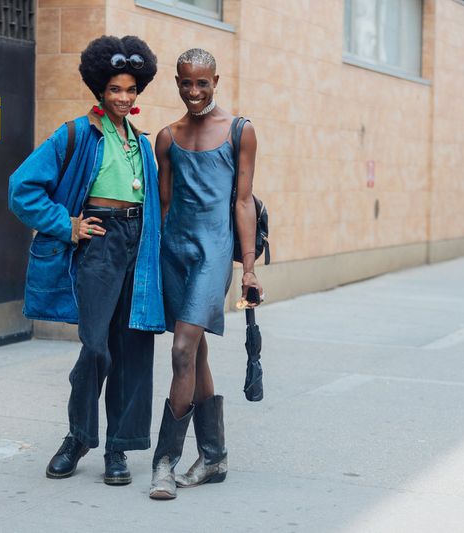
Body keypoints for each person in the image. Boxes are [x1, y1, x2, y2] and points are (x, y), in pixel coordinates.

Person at [8, 35, 163, 486]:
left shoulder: (142, 142)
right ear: (100, 89)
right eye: (115, 89)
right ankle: (78, 436)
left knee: (133, 347)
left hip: (140, 244)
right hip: (99, 240)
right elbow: (23, 188)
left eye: (131, 89)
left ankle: (119, 448)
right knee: (96, 346)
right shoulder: (75, 133)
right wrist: (68, 224)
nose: (124, 97)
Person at [149, 48, 263, 500]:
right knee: (194, 358)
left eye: (202, 83)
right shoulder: (167, 137)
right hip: (173, 253)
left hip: (212, 254)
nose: (193, 92)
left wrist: (248, 268)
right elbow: (162, 204)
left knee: (181, 349)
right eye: (184, 83)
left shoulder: (240, 131)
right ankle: (214, 456)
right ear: (176, 81)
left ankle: (164, 463)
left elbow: (243, 200)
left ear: (216, 80)